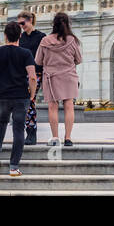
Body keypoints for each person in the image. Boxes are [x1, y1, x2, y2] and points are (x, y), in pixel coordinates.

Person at [0, 21, 37, 177]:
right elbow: (32, 77)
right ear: (19, 36)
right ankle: (14, 167)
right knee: (18, 129)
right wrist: (32, 94)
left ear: (5, 36)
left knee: (2, 120)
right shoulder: (26, 53)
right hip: (21, 95)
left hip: (3, 94)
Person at [34, 11, 83, 146]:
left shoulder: (45, 41)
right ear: (68, 24)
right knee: (69, 106)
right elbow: (79, 59)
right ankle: (68, 138)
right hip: (69, 76)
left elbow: (38, 61)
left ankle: (55, 138)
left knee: (52, 107)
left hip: (51, 77)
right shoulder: (72, 40)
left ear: (53, 24)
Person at [17, 10, 47, 144]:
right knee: (27, 101)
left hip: (37, 73)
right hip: (22, 74)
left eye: (22, 23)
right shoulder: (20, 38)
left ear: (30, 20)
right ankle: (29, 130)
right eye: (19, 24)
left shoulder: (41, 36)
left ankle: (31, 131)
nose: (21, 26)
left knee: (30, 100)